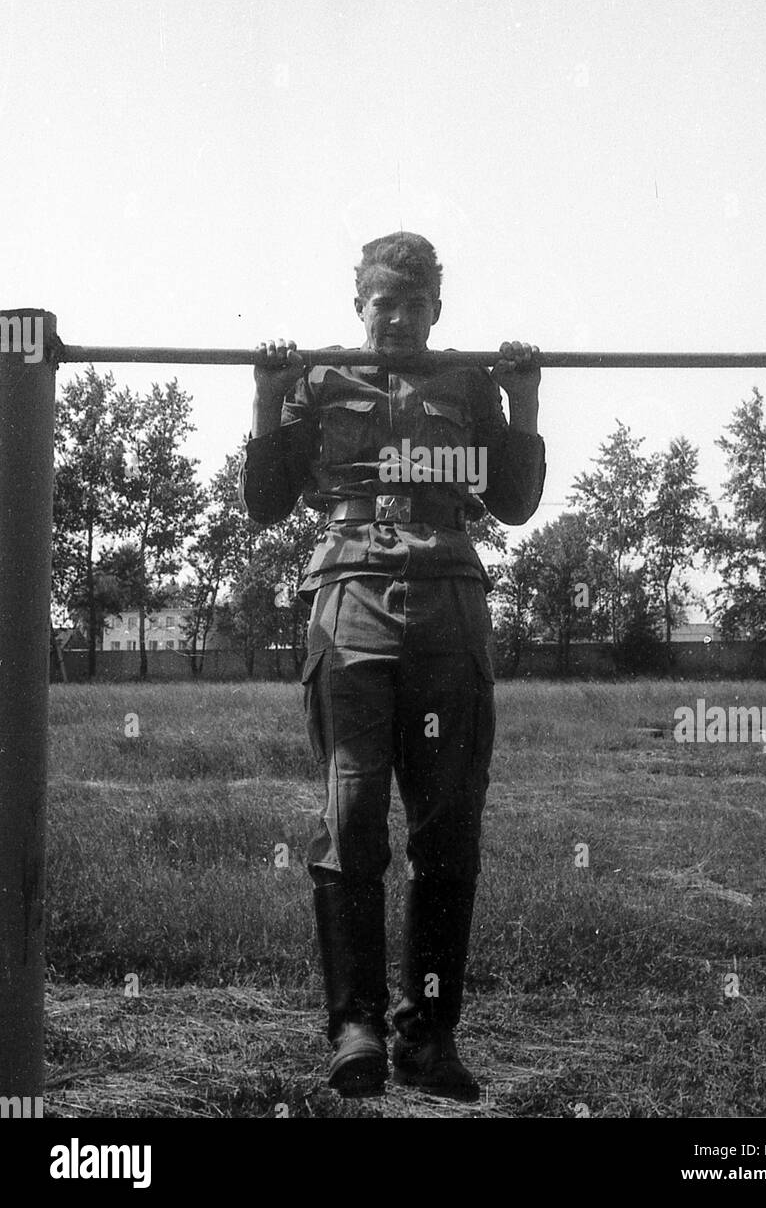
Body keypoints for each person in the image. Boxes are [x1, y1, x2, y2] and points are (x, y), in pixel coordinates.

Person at [239, 232, 545, 1100]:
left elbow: (514, 504)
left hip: (450, 603)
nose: (398, 318)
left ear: (437, 308)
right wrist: (267, 403)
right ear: (359, 304)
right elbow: (265, 504)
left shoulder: (469, 382)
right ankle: (357, 1028)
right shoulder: (319, 379)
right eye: (383, 302)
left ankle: (429, 1036)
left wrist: (522, 404)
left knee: (448, 826)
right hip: (353, 601)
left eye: (414, 303)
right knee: (353, 810)